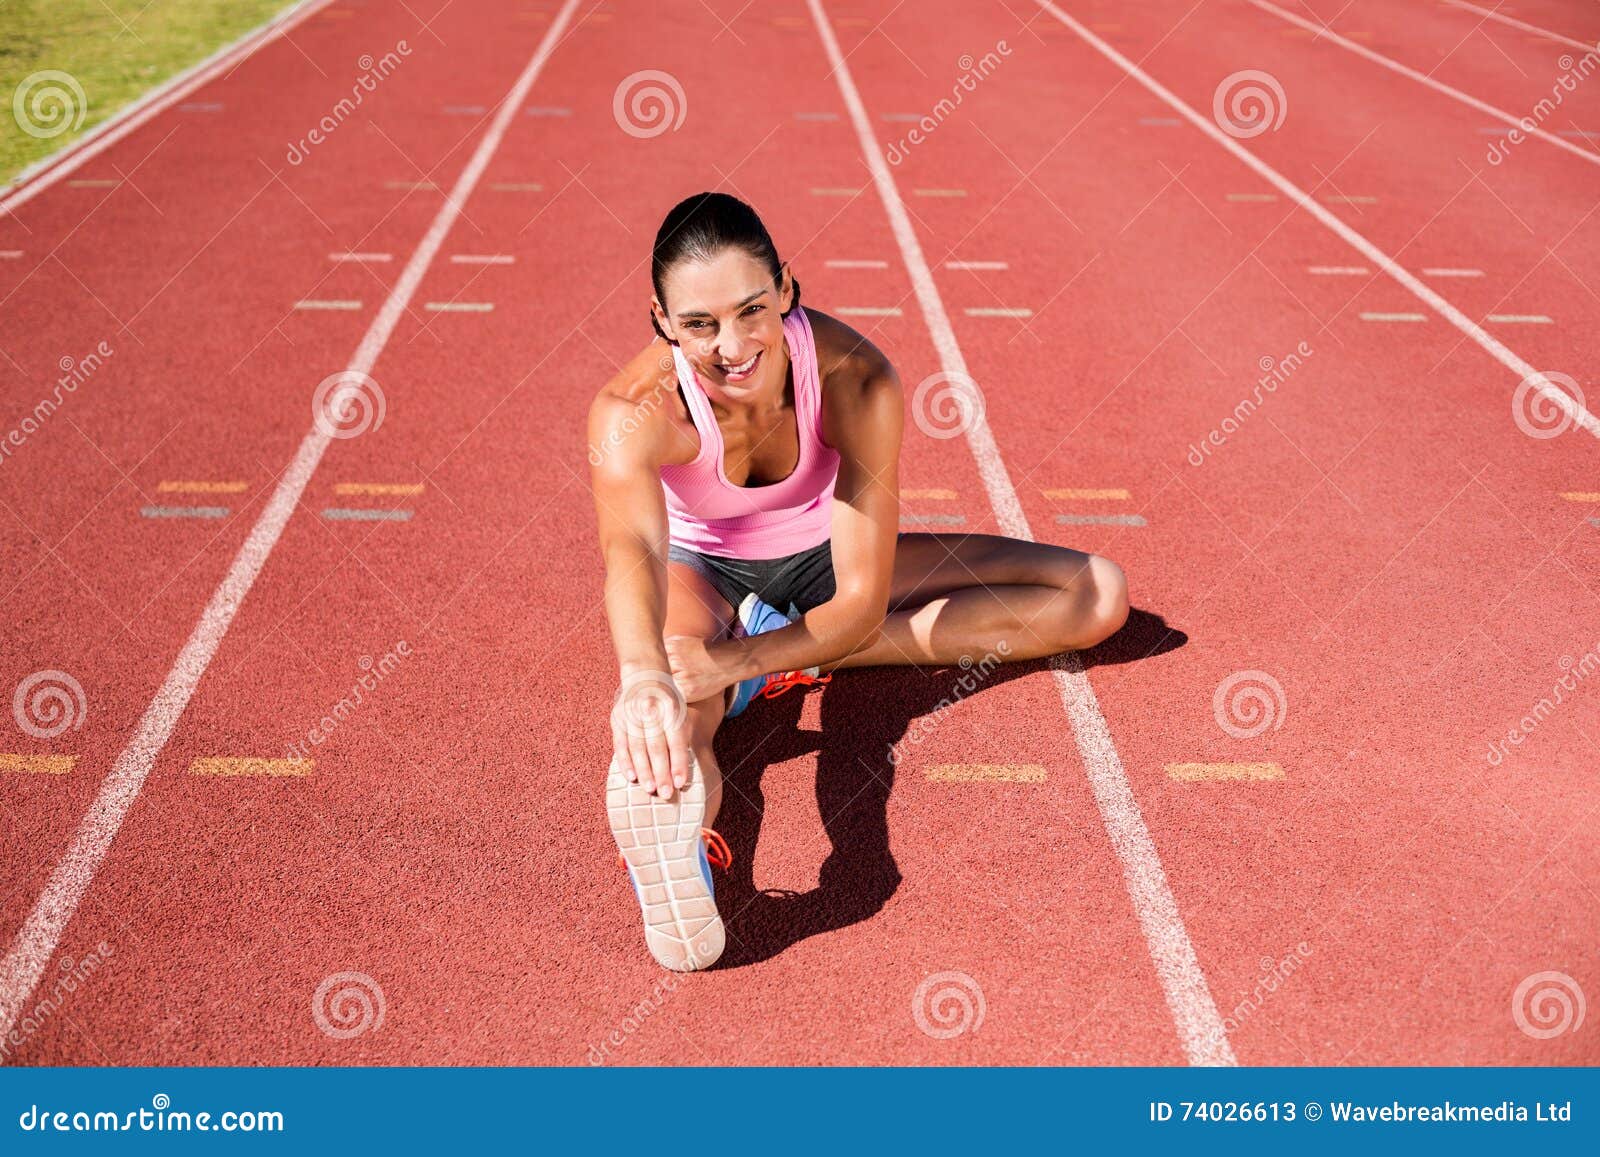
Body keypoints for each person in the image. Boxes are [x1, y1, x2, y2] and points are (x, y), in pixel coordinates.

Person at [589, 192, 1128, 970]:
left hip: (823, 559)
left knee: (1097, 593)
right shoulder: (629, 414)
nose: (732, 345)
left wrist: (739, 661)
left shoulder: (856, 377)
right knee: (679, 704)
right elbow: (631, 551)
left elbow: (861, 602)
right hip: (701, 572)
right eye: (700, 324)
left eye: (750, 311)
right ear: (663, 320)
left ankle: (776, 659)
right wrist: (643, 676)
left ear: (787, 291)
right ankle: (689, 859)